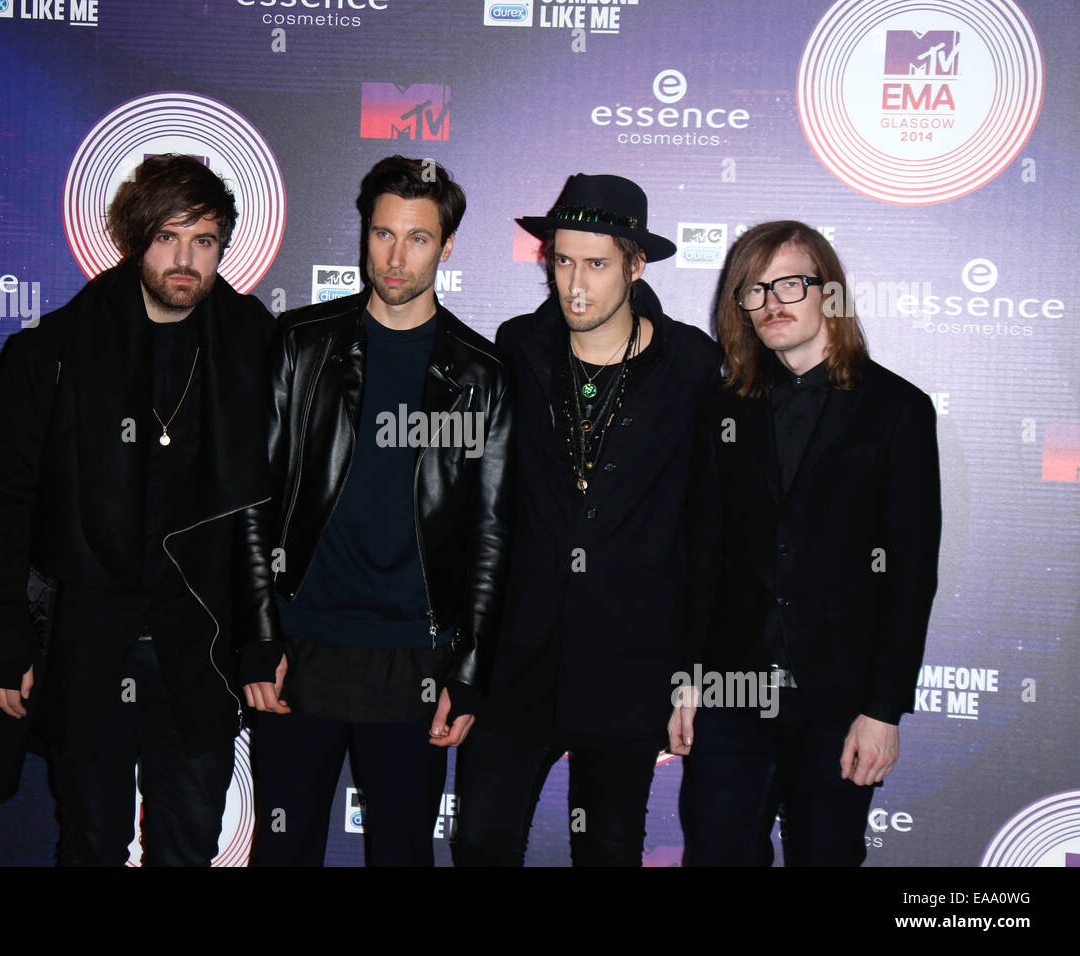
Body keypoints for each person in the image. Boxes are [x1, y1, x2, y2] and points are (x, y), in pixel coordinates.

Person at [0, 153, 277, 866]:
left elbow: (273, 516)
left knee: (187, 848)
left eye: (205, 241)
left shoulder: (260, 353)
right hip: (87, 647)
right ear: (134, 237)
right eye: (168, 237)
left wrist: (267, 641)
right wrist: (3, 643)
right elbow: (0, 509)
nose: (185, 260)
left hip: (200, 653)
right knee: (90, 843)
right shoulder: (52, 354)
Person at [240, 155, 511, 867]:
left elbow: (491, 535)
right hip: (300, 655)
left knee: (401, 855)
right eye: (382, 233)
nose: (395, 256)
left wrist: (468, 671)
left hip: (414, 663)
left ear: (446, 246)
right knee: (281, 854)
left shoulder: (479, 375)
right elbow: (252, 503)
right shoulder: (301, 346)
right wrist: (259, 637)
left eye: (417, 238)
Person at [452, 173, 722, 866]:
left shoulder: (692, 366)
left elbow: (709, 529)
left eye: (597, 264)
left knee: (606, 848)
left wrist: (691, 670)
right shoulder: (515, 348)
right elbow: (484, 509)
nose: (574, 283)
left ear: (636, 265)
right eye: (562, 260)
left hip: (630, 662)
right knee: (480, 839)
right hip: (519, 659)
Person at [673, 219, 941, 866]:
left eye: (790, 284)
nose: (771, 304)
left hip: (839, 701)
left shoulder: (896, 409)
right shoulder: (723, 408)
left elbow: (910, 573)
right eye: (754, 290)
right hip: (729, 694)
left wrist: (883, 711)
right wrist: (684, 681)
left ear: (830, 294)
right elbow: (700, 556)